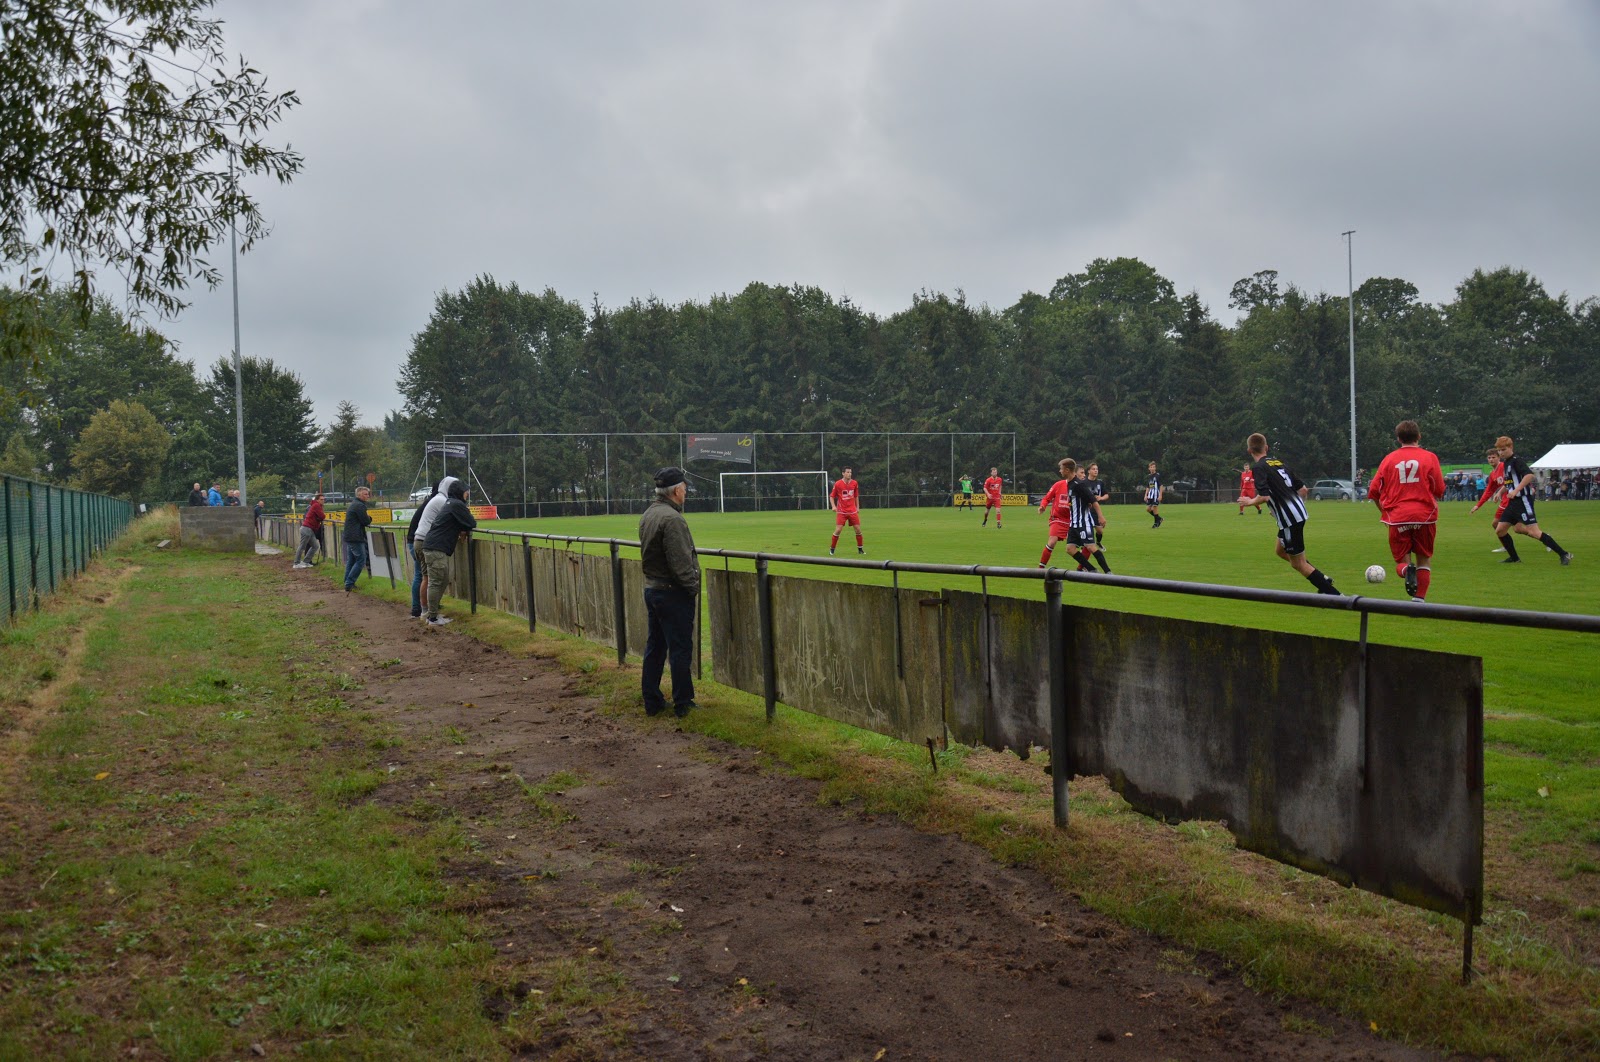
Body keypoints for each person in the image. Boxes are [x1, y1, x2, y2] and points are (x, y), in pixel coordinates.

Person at [1239, 433, 1341, 595]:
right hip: (1297, 514)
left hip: (1290, 520)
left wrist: (1248, 502)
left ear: (1249, 450)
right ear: (1266, 447)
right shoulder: (1280, 463)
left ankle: (1336, 596)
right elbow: (1303, 490)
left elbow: (1264, 496)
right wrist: (1292, 507)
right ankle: (1322, 578)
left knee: (1298, 564)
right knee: (1280, 551)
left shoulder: (1258, 468)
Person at [639, 467, 700, 718]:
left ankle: (652, 700)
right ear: (676, 490)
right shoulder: (673, 519)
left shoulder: (650, 513)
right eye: (685, 489)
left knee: (655, 646)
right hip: (672, 592)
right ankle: (683, 703)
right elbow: (681, 562)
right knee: (680, 648)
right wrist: (692, 588)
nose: (686, 494)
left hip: (653, 588)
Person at [1367, 420, 1445, 601]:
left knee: (1402, 561)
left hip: (1397, 517)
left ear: (1398, 438)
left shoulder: (1389, 459)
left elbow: (1373, 491)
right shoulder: (1430, 457)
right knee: (1424, 560)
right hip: (1424, 516)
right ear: (1419, 436)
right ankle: (1419, 600)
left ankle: (1405, 570)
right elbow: (1440, 490)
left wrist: (1384, 511)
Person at [1491, 436, 1572, 566]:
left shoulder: (1517, 461)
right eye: (1499, 450)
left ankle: (1564, 554)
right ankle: (1514, 558)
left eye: (1503, 449)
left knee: (1534, 532)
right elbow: (1509, 482)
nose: (1501, 452)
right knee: (1501, 530)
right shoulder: (1506, 463)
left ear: (1511, 447)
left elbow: (1529, 475)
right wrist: (1500, 492)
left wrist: (1516, 491)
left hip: (1523, 501)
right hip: (1513, 503)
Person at [1037, 458, 1110, 573]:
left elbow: (1093, 500)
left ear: (1067, 470)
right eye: (1082, 472)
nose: (1060, 471)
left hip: (1082, 522)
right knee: (1070, 549)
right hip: (1070, 522)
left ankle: (1108, 572)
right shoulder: (1068, 484)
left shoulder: (1078, 484)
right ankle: (1091, 569)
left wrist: (1100, 516)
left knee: (1090, 546)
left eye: (1061, 469)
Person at [421, 478, 477, 625]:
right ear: (460, 492)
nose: (468, 494)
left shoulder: (450, 503)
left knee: (443, 580)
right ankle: (432, 617)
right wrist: (464, 527)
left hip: (435, 547)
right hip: (436, 548)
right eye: (466, 491)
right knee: (435, 582)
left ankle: (432, 614)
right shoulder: (456, 504)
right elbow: (471, 522)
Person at [405, 478, 450, 619]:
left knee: (423, 576)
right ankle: (421, 609)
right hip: (421, 541)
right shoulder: (438, 502)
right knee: (424, 576)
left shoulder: (431, 501)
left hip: (415, 540)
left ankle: (421, 609)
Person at [1470, 448, 1510, 553]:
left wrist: (1500, 492)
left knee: (1518, 527)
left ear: (1499, 457)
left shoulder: (1504, 467)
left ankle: (1507, 547)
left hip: (1511, 500)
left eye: (1493, 457)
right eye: (1489, 458)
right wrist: (1478, 505)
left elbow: (1511, 481)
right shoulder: (1493, 474)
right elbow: (1488, 491)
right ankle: (1506, 546)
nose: (1491, 459)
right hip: (1505, 501)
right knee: (1519, 528)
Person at [342, 486, 374, 591]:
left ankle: (347, 581)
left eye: (368, 494)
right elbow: (365, 521)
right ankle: (349, 582)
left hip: (349, 535)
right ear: (359, 495)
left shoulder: (354, 504)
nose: (367, 496)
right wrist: (369, 518)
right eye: (365, 494)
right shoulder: (360, 506)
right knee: (361, 560)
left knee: (351, 560)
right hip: (355, 536)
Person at [828, 466, 864, 556]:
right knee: (838, 530)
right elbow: (832, 496)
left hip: (852, 510)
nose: (849, 474)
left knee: (858, 529)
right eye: (847, 472)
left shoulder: (854, 483)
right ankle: (832, 549)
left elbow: (856, 496)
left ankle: (860, 549)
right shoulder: (838, 484)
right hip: (841, 511)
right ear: (843, 473)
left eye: (850, 472)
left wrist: (857, 507)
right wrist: (833, 506)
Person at [293, 492, 325, 568]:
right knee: (302, 546)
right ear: (317, 500)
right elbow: (322, 516)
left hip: (309, 529)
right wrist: (320, 517)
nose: (323, 501)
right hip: (307, 528)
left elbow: (320, 516)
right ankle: (296, 563)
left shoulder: (315, 505)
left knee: (315, 546)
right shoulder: (316, 505)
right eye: (321, 499)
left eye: (323, 499)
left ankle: (306, 561)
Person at [1085, 462, 1109, 545]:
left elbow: (1106, 495)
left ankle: (1098, 542)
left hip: (1095, 510)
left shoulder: (1100, 483)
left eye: (1097, 469)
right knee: (1087, 529)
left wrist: (1101, 498)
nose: (1096, 471)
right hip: (1086, 509)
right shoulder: (1083, 483)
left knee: (1100, 530)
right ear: (1088, 471)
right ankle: (1084, 546)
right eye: (1093, 469)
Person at [1144, 461, 1163, 528]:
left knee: (1154, 507)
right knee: (1148, 509)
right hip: (1150, 495)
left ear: (1155, 468)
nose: (1152, 468)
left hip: (1156, 494)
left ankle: (1156, 523)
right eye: (1151, 467)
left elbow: (1161, 486)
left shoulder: (1157, 476)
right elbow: (1148, 486)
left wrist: (1160, 495)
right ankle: (1159, 519)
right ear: (1149, 468)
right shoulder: (1149, 476)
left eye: (1154, 467)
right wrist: (1145, 495)